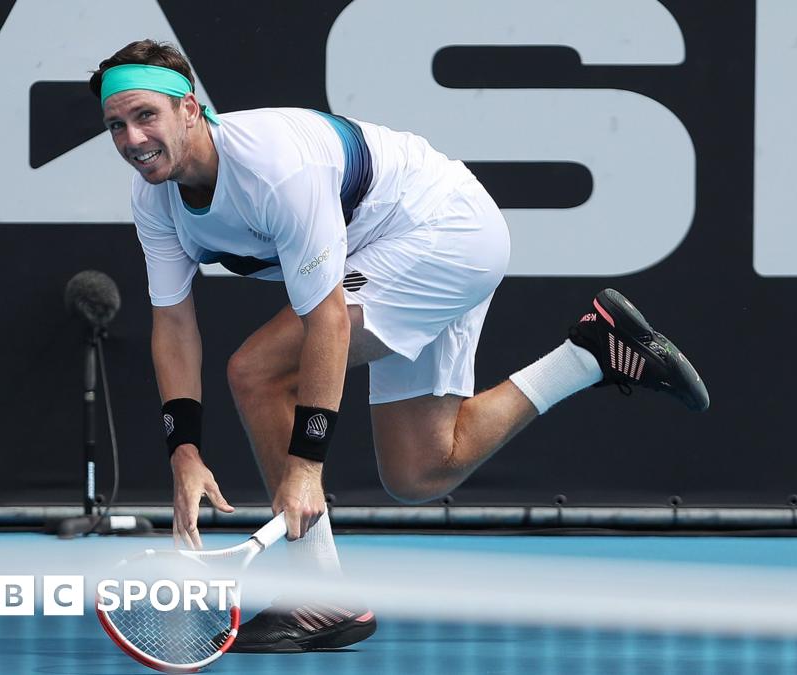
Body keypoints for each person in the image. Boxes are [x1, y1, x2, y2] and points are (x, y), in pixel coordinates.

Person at [92, 39, 709, 653]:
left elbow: (327, 323)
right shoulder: (156, 199)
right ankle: (591, 353)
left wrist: (305, 469)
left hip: (440, 229)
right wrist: (185, 452)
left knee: (257, 371)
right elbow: (173, 324)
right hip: (394, 247)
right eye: (116, 125)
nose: (132, 138)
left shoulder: (274, 168)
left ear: (191, 109)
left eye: (146, 115)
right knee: (420, 470)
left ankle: (319, 600)